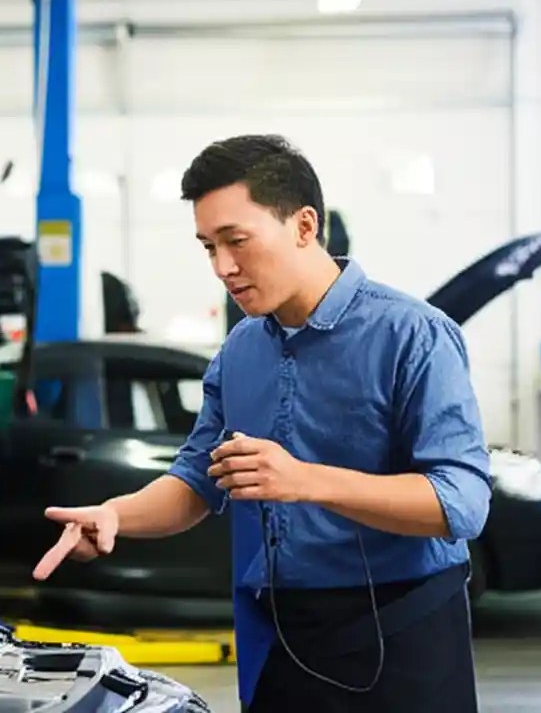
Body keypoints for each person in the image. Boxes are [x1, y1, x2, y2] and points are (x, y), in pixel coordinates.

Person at [32, 134, 492, 712]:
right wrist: (116, 515)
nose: (223, 267)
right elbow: (197, 482)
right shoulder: (241, 350)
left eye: (237, 241)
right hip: (282, 638)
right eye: (208, 247)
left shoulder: (412, 336)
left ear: (304, 226)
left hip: (404, 633)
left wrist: (305, 481)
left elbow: (461, 503)